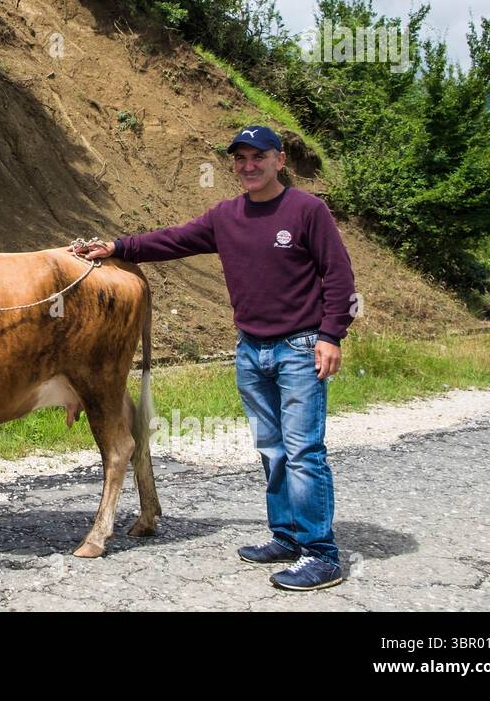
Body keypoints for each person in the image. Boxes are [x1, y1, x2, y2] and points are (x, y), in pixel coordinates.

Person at [71, 125, 355, 591]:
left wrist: (331, 335)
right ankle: (286, 537)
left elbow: (338, 274)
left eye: (258, 157)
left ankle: (321, 554)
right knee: (272, 449)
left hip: (300, 348)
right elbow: (174, 240)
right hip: (251, 350)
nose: (249, 166)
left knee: (304, 452)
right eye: (241, 158)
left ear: (280, 160)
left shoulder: (307, 210)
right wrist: (117, 247)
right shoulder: (227, 215)